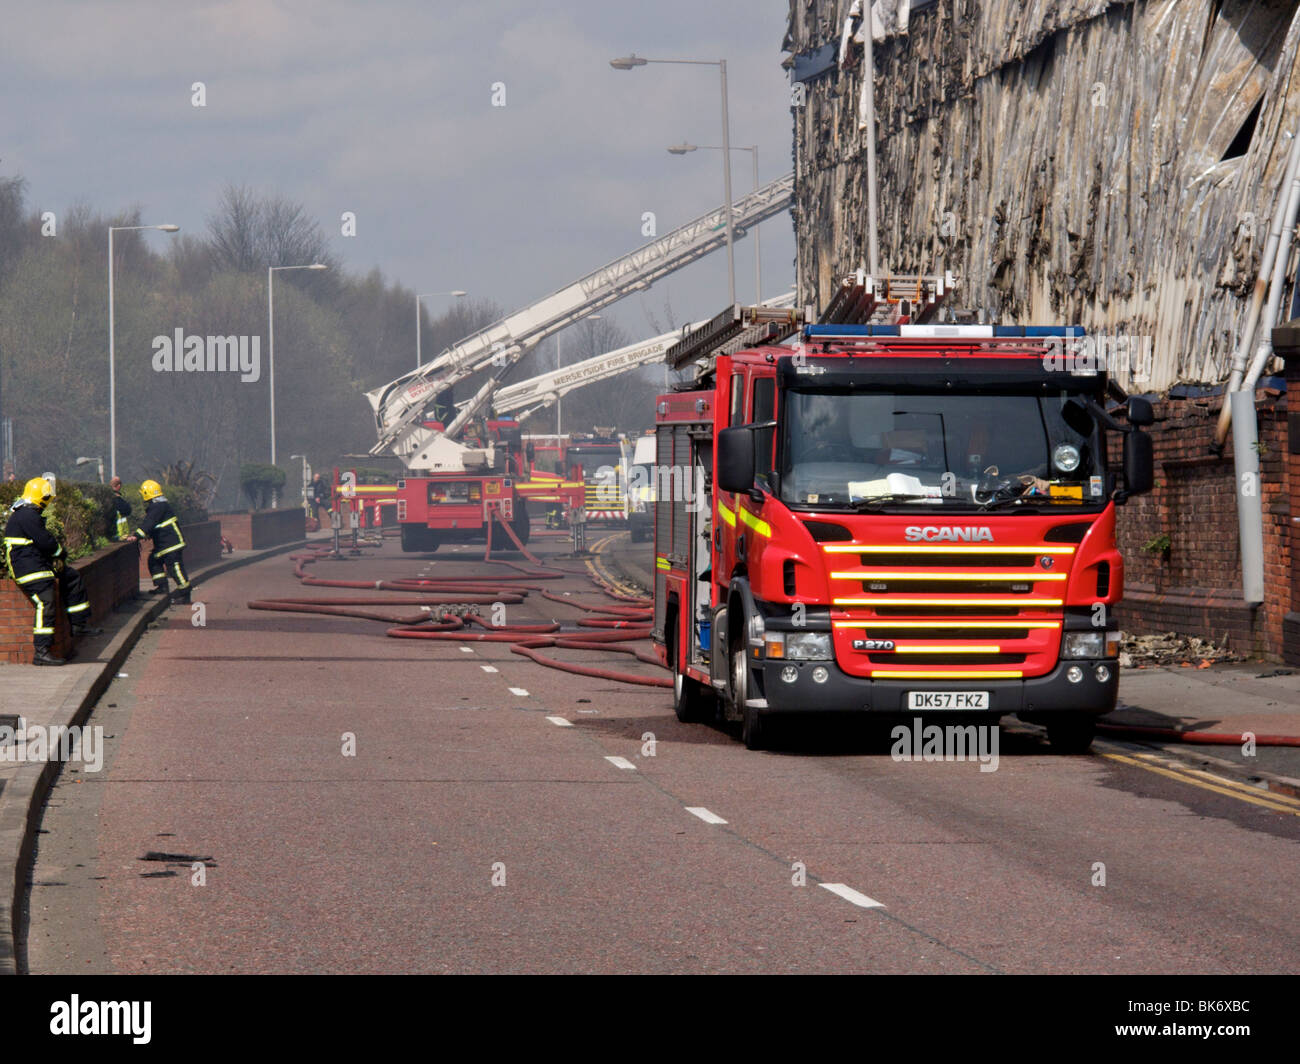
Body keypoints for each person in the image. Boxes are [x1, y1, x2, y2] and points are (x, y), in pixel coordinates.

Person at [3, 477, 102, 666]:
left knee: (71, 577)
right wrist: (60, 553)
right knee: (45, 603)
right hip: (28, 569)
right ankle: (41, 651)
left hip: (35, 564)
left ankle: (79, 624)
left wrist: (57, 559)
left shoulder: (26, 513)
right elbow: (46, 541)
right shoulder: (27, 515)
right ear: (42, 497)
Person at [126, 479, 191, 605]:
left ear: (146, 493)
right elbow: (156, 524)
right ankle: (162, 586)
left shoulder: (158, 507)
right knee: (154, 561)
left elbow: (149, 522)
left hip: (171, 544)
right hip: (164, 545)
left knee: (175, 568)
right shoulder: (159, 506)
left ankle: (185, 593)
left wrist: (136, 536)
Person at [109, 476, 132, 540]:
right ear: (119, 486)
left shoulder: (105, 498)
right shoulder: (118, 500)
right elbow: (128, 510)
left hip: (110, 535)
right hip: (120, 536)